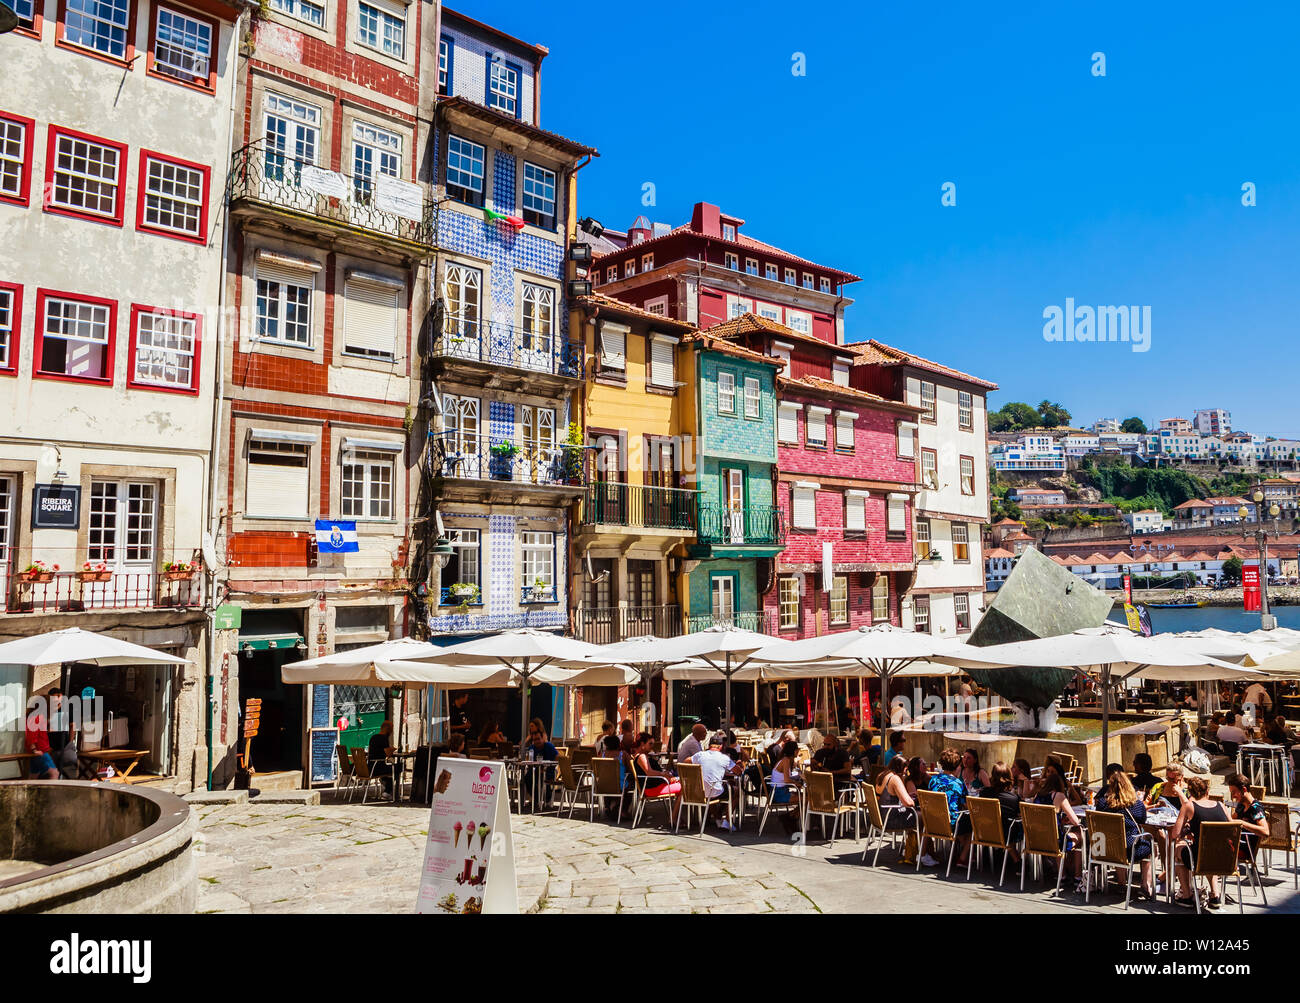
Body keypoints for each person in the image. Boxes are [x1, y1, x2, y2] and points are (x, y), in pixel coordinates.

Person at [1170, 775, 1232, 908]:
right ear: (1207, 791)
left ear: (1190, 793)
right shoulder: (1221, 805)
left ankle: (1186, 895)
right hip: (1225, 859)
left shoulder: (1188, 806)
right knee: (1211, 851)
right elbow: (1232, 828)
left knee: (1179, 848)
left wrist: (1186, 830)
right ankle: (1215, 895)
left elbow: (1175, 834)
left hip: (1201, 859)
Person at [1094, 766, 1154, 899]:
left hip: (1105, 849)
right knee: (1148, 845)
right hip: (1130, 849)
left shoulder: (1103, 804)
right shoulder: (1136, 805)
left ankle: (1121, 883)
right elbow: (1143, 819)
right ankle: (1146, 885)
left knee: (1118, 842)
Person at [955, 761, 1021, 868]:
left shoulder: (984, 793)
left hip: (983, 832)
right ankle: (1018, 862)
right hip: (1004, 835)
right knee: (1009, 826)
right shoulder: (1014, 798)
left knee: (976, 827)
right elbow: (1019, 815)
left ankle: (964, 858)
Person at [920, 748, 967, 868]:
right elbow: (966, 804)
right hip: (950, 824)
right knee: (970, 828)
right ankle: (965, 857)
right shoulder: (958, 783)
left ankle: (922, 854)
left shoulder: (933, 780)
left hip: (932, 822)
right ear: (957, 765)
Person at [690, 732, 743, 831]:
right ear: (721, 746)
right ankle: (727, 821)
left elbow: (686, 761)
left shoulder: (699, 755)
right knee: (735, 790)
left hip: (697, 792)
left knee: (711, 788)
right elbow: (738, 772)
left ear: (709, 746)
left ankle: (718, 818)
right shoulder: (724, 758)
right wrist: (739, 766)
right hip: (713, 791)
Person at [1226, 771, 1269, 868]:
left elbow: (1265, 831)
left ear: (1244, 789)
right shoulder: (1241, 806)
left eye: (1234, 792)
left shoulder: (1255, 808)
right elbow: (1230, 822)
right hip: (1235, 843)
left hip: (1245, 849)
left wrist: (1242, 823)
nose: (1233, 796)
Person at [769, 740, 801, 835]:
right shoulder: (786, 760)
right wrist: (797, 783)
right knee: (807, 799)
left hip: (779, 791)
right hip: (779, 793)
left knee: (807, 798)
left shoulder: (785, 759)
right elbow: (787, 780)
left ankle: (790, 817)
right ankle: (790, 818)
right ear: (795, 751)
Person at [523, 721, 558, 810]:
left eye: (538, 739)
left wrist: (552, 766)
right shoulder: (532, 748)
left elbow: (558, 757)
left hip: (548, 771)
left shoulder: (548, 746)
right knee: (527, 777)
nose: (537, 742)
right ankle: (536, 798)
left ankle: (545, 796)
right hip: (536, 771)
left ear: (543, 738)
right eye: (535, 740)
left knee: (540, 777)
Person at [25, 698, 59, 781]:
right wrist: (34, 750)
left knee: (34, 776)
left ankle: (31, 793)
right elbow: (31, 734)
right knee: (54, 773)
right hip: (40, 752)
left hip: (39, 752)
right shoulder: (38, 717)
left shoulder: (37, 716)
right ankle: (49, 794)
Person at [367, 720, 395, 796]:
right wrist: (392, 750)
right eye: (392, 728)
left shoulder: (373, 737)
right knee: (399, 767)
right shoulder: (383, 738)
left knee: (389, 768)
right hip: (378, 768)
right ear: (388, 729)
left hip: (370, 767)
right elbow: (388, 754)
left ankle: (386, 783)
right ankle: (388, 790)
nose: (392, 731)